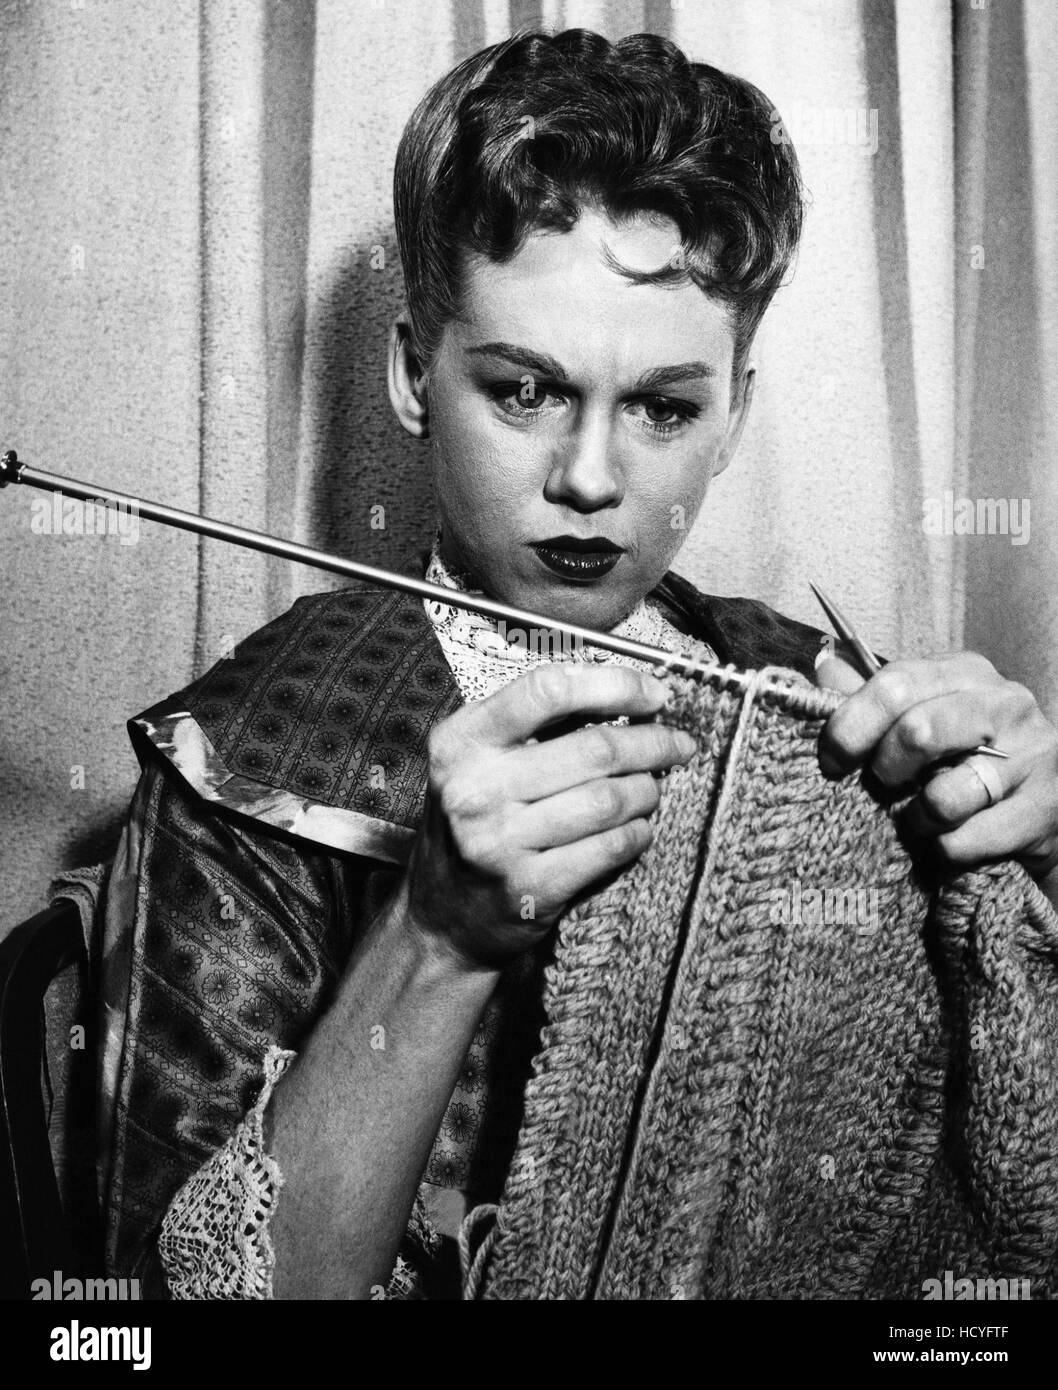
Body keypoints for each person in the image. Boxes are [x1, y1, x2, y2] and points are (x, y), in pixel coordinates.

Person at [92, 28, 1058, 1301]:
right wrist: (435, 936)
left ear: (734, 421)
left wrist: (1032, 878)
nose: (590, 480)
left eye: (661, 408)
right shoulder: (243, 763)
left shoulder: (813, 702)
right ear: (411, 376)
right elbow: (136, 1332)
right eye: (525, 391)